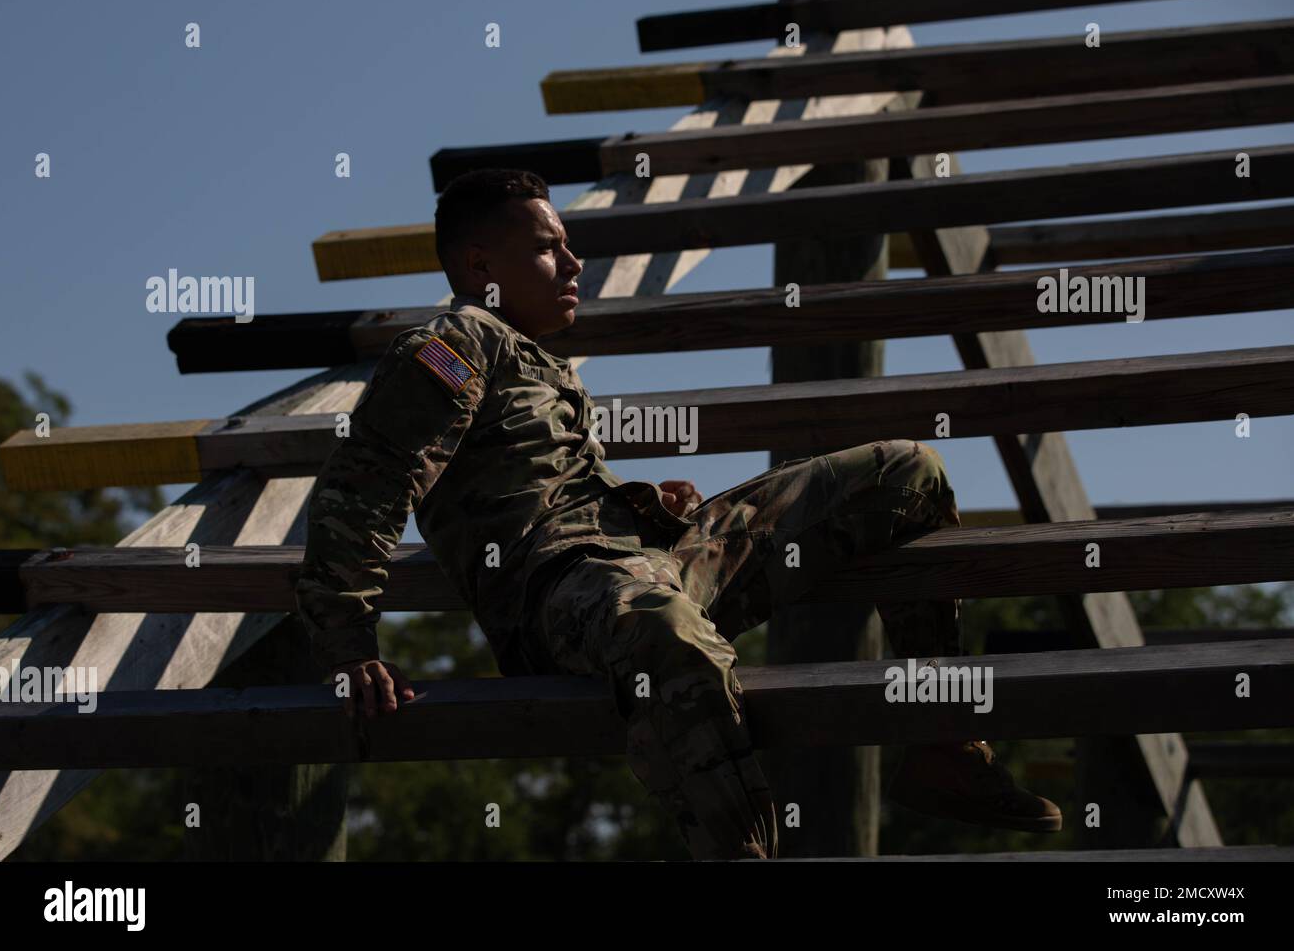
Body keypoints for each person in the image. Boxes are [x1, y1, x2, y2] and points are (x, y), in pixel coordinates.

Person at [294, 168, 1061, 860]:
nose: (571, 264)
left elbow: (549, 484)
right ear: (480, 267)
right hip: (563, 596)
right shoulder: (452, 342)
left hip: (649, 561)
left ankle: (943, 744)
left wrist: (639, 504)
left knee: (906, 471)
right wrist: (346, 640)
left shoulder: (536, 361)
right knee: (670, 635)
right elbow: (369, 481)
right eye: (545, 248)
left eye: (568, 246)